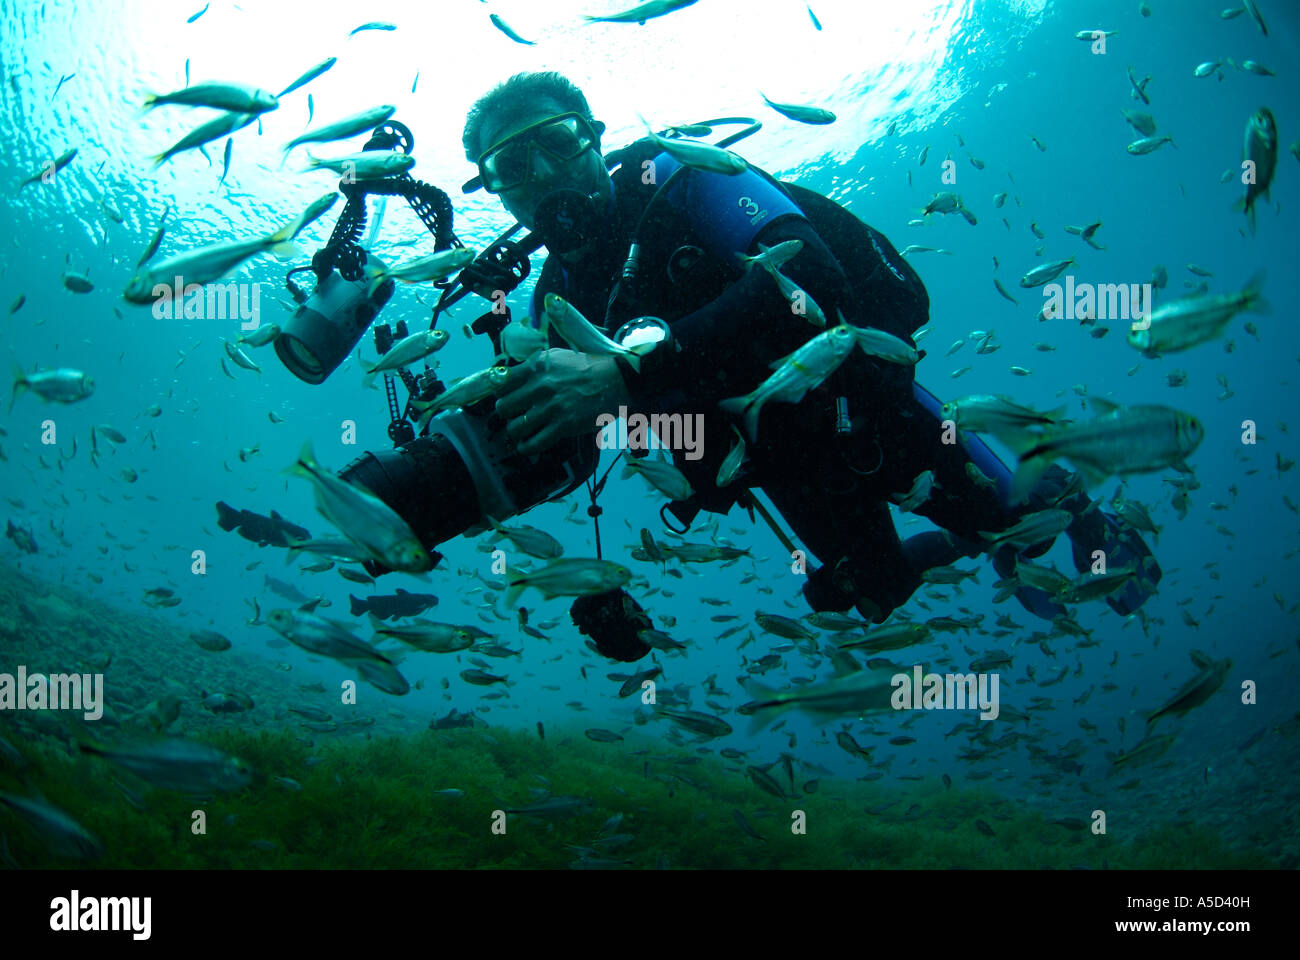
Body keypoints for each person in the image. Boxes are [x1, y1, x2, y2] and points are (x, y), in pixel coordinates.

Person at [342, 71, 1159, 650]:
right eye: (513, 167)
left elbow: (808, 273)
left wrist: (629, 375)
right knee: (871, 598)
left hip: (865, 410)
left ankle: (1058, 505)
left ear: (595, 140)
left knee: (1010, 516)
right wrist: (422, 503)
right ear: (493, 190)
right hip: (775, 465)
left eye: (556, 143)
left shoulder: (682, 180)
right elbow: (568, 439)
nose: (544, 175)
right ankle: (977, 540)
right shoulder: (555, 300)